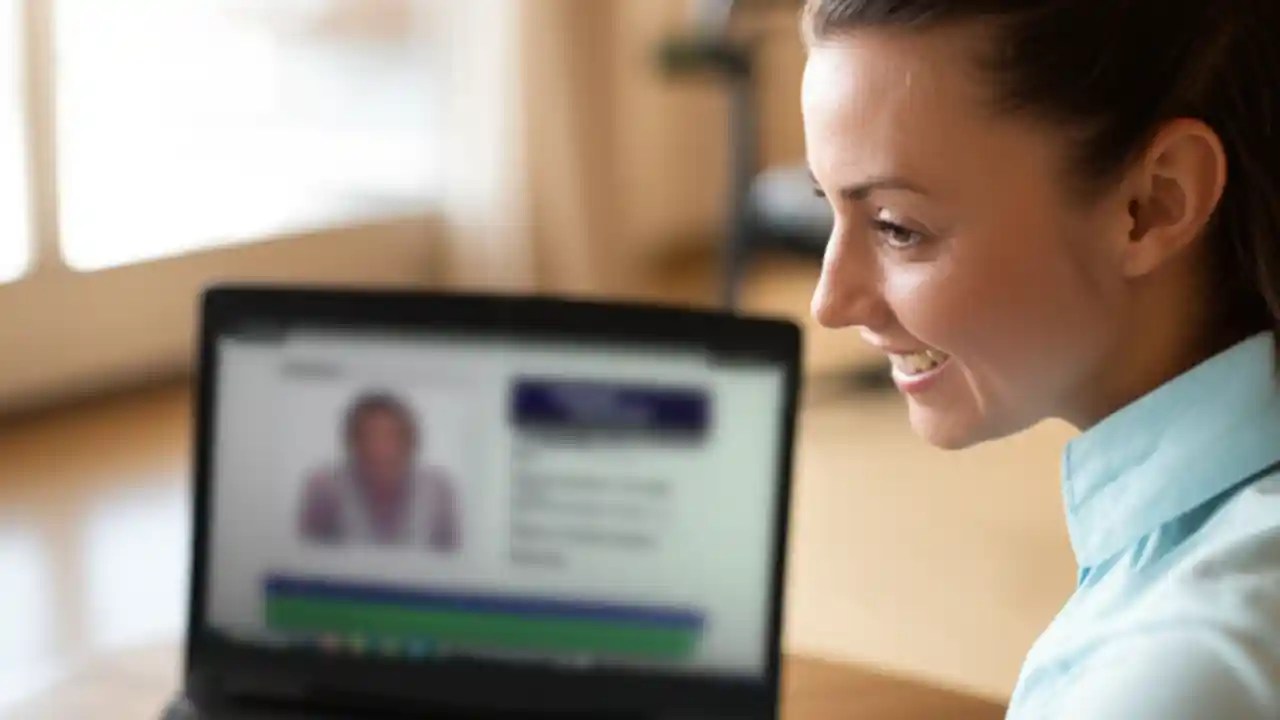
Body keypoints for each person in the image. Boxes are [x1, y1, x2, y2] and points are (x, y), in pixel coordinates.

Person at [800, 1, 1280, 718]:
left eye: (898, 228)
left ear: (1152, 203)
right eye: (827, 208)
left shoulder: (1180, 670)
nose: (830, 303)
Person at [300, 391, 459, 551]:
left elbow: (452, 557)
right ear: (352, 441)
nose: (379, 447)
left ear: (409, 441)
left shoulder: (438, 489)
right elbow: (307, 555)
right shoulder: (325, 487)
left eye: (390, 436)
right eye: (369, 435)